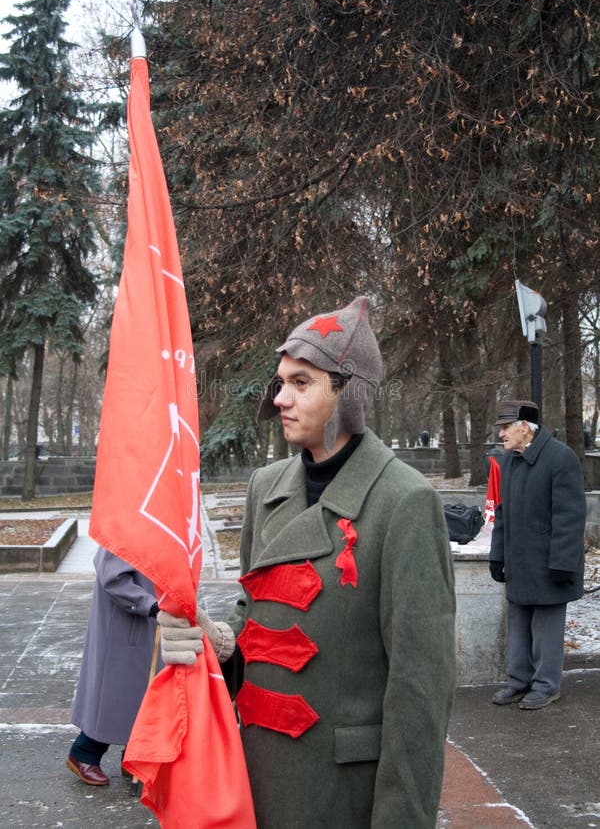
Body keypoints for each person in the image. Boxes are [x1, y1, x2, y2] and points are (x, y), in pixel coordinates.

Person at [159, 296, 456, 828]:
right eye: (280, 383)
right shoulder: (265, 486)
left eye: (301, 383)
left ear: (349, 394)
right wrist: (216, 641)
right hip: (254, 780)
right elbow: (256, 615)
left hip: (340, 798)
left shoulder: (404, 502)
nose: (280, 399)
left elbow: (419, 695)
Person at [489, 400, 586, 711]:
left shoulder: (561, 458)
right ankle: (519, 681)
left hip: (550, 564)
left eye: (506, 427)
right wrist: (497, 555)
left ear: (524, 427)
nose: (501, 434)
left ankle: (546, 686)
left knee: (546, 629)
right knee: (518, 625)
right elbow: (502, 513)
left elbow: (570, 517)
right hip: (519, 563)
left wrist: (563, 564)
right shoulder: (509, 461)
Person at [66, 547, 162, 786]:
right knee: (116, 693)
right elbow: (112, 576)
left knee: (143, 692)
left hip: (147, 618)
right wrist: (148, 604)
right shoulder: (125, 527)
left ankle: (133, 755)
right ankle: (84, 752)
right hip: (125, 621)